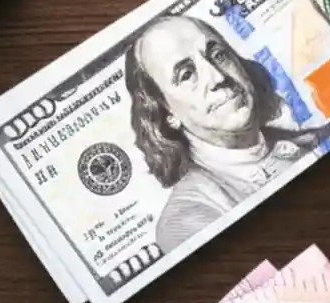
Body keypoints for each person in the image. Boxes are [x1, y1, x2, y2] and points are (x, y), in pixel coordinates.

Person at [125, 15, 316, 251]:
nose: (218, 77)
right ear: (166, 113)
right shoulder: (187, 219)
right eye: (186, 74)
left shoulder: (311, 142)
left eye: (219, 55)